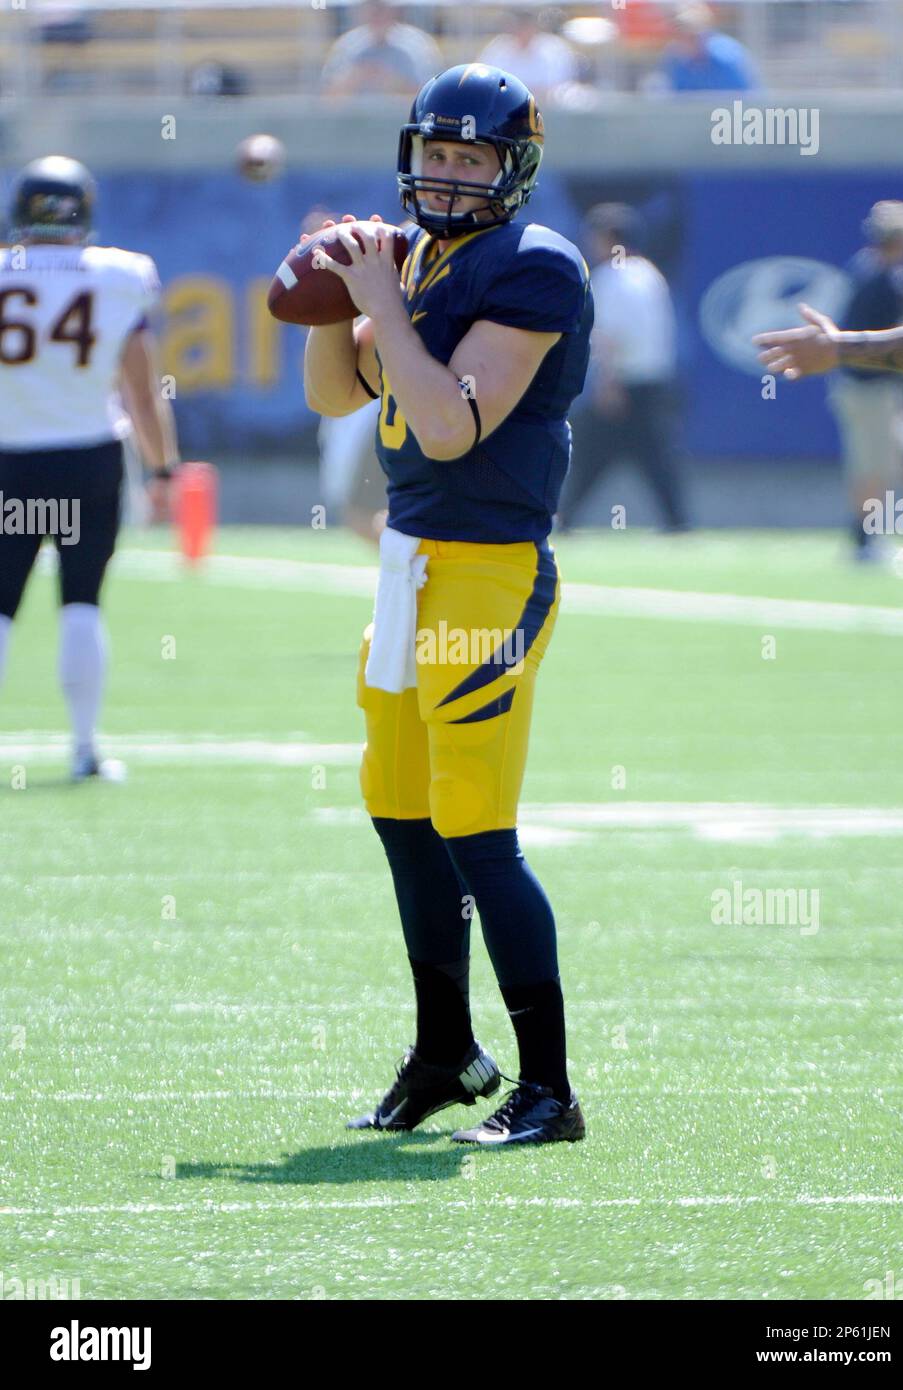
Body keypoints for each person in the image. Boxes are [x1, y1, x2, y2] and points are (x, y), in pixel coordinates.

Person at [302, 64, 593, 1145]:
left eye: (470, 158)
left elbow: (450, 426)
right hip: (407, 560)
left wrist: (381, 303)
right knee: (399, 812)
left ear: (511, 169)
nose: (447, 176)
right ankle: (443, 1053)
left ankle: (549, 1087)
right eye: (434, 153)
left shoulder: (536, 266)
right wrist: (335, 309)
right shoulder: (418, 255)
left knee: (478, 830)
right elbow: (342, 393)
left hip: (485, 569)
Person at [0, 156, 179, 781]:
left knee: (0, 606)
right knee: (81, 602)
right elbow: (142, 389)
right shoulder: (118, 275)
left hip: (8, 458)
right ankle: (82, 748)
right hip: (85, 457)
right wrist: (163, 471)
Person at [560, 202, 687, 531]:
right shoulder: (649, 273)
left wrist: (608, 384)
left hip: (626, 384)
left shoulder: (612, 277)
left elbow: (611, 338)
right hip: (653, 382)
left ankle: (566, 520)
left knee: (594, 455)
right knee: (649, 459)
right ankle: (678, 524)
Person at [823, 201, 903, 559]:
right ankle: (867, 541)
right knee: (874, 466)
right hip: (870, 387)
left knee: (875, 464)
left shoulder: (866, 268)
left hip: (860, 384)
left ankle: (867, 538)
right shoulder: (884, 278)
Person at [320, 0, 440, 99]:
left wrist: (393, 83)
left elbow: (430, 98)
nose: (376, 14)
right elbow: (326, 99)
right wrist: (356, 77)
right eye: (371, 8)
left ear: (395, 11)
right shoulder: (347, 46)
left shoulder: (417, 46)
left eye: (381, 9)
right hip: (352, 123)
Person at [478, 7, 578, 103]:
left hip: (546, 109)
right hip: (506, 108)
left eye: (527, 25)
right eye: (520, 25)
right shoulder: (497, 49)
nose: (524, 31)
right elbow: (487, 83)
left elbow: (559, 86)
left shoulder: (553, 48)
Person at [655, 3, 759, 94]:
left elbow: (742, 101)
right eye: (679, 32)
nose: (685, 38)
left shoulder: (726, 56)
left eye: (691, 34)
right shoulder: (674, 59)